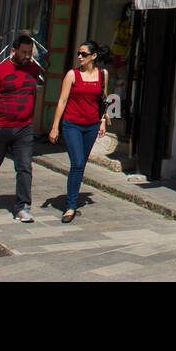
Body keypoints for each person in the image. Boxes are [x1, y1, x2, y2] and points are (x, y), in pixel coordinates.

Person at [0, 35, 41, 222]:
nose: (28, 56)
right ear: (13, 51)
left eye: (30, 53)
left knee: (25, 167)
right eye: (24, 53)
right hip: (1, 127)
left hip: (24, 128)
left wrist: (30, 119)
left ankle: (23, 206)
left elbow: (32, 94)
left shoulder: (34, 70)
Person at [48, 41, 108, 223]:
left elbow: (104, 99)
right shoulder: (72, 75)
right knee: (77, 162)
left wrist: (103, 120)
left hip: (91, 125)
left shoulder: (102, 75)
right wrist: (54, 126)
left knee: (81, 164)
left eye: (83, 54)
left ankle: (72, 199)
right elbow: (62, 100)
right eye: (79, 54)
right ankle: (71, 206)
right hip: (72, 124)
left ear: (94, 56)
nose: (80, 57)